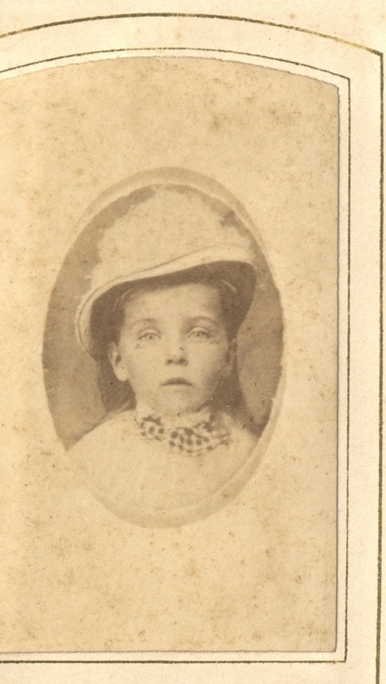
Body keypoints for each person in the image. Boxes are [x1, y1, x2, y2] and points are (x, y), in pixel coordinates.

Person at [66, 169, 269, 526]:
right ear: (118, 361)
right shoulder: (94, 457)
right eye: (149, 336)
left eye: (200, 333)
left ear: (228, 354)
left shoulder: (249, 454)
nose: (175, 354)